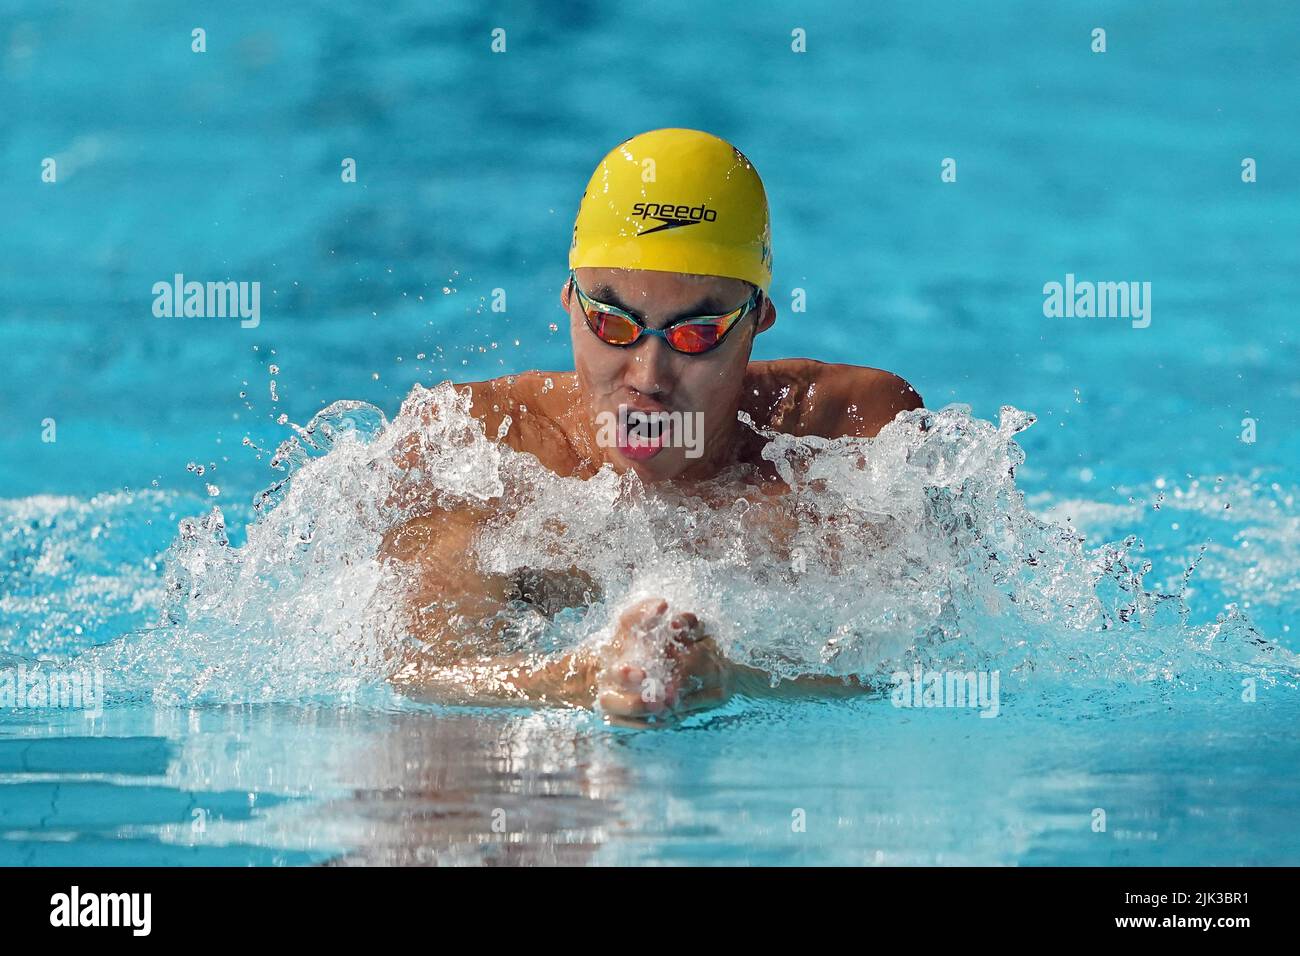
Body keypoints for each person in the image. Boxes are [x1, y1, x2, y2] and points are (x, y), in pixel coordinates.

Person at [381, 128, 922, 725]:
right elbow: (418, 667)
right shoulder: (481, 445)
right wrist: (582, 675)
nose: (648, 376)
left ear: (758, 322)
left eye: (696, 335)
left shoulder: (842, 437)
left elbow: (929, 662)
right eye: (614, 325)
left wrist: (732, 678)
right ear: (568, 299)